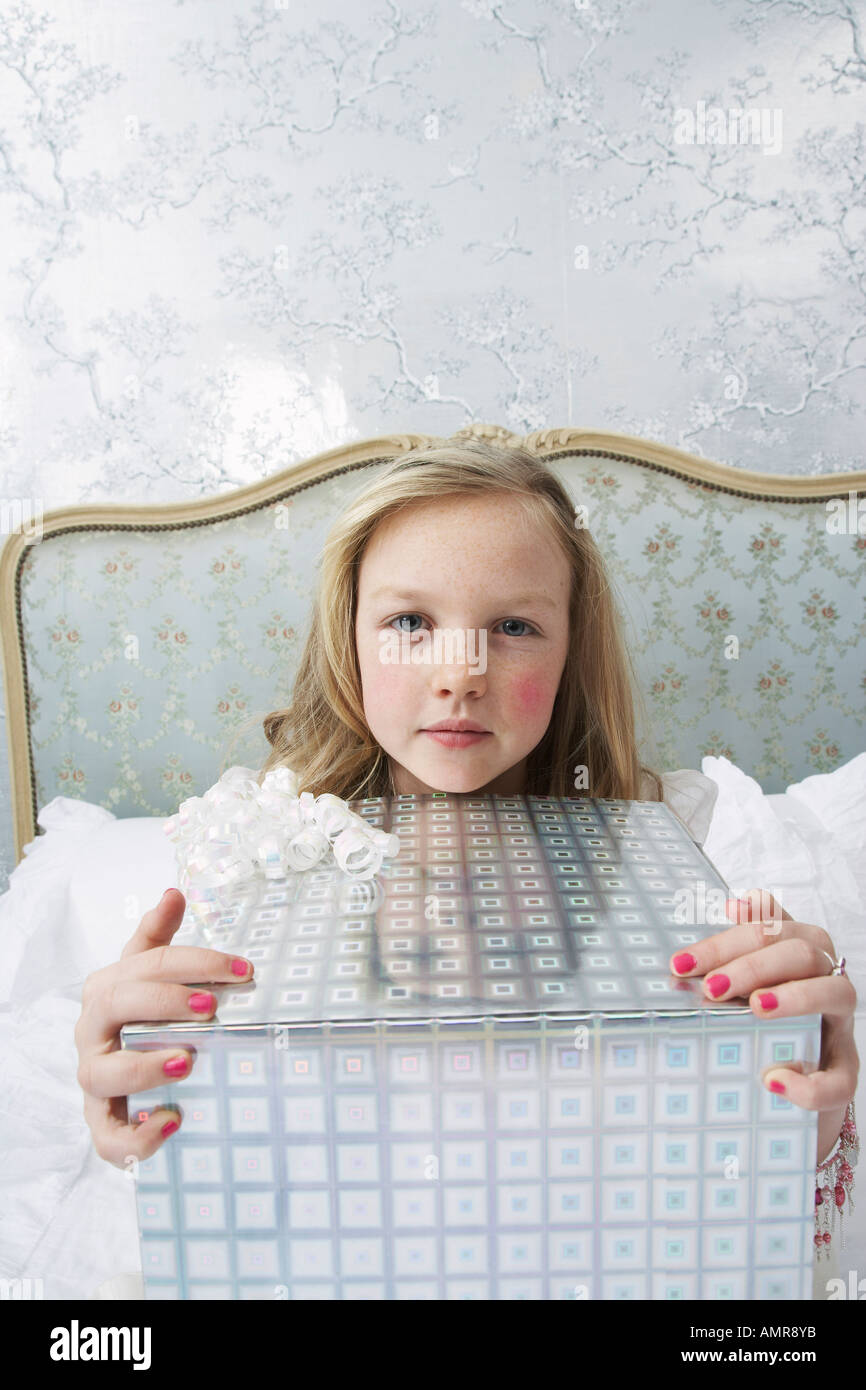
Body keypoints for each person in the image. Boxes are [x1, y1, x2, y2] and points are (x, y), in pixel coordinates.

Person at [74, 437, 859, 1291]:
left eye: (514, 627)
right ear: (352, 638)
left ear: (568, 650)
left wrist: (804, 1109)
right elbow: (219, 1133)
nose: (460, 675)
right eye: (410, 622)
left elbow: (732, 1167)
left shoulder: (658, 830)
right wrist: (127, 1103)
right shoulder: (263, 839)